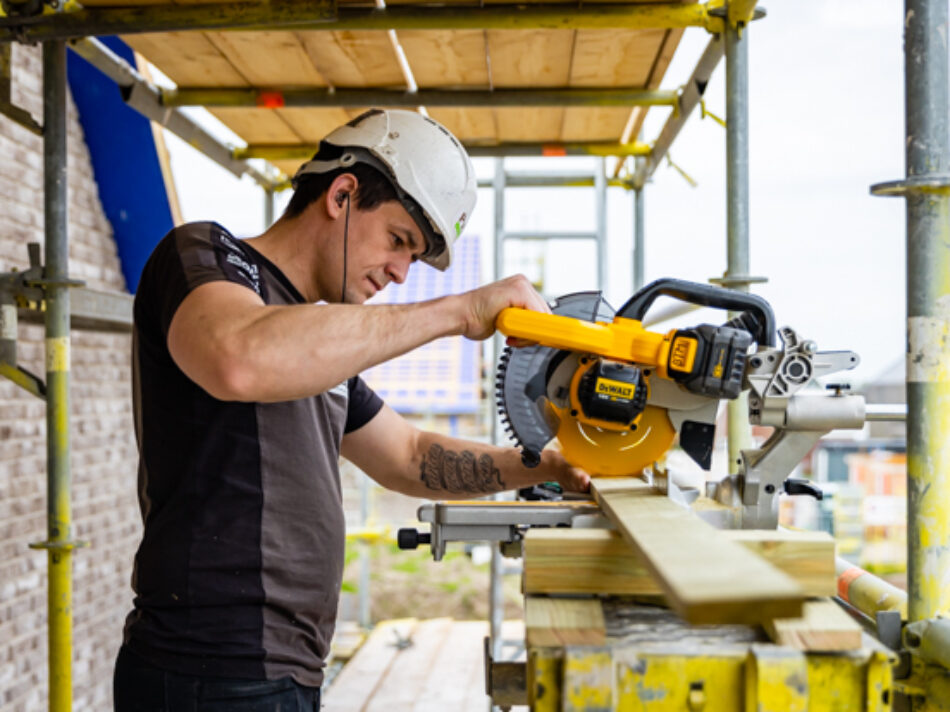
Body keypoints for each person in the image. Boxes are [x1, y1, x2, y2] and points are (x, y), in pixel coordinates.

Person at [114, 108, 590, 711]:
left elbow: (409, 457)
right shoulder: (202, 255)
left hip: (281, 672)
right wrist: (458, 312)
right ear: (342, 194)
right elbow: (237, 358)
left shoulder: (313, 344)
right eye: (398, 240)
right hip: (207, 670)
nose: (399, 272)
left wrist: (546, 465)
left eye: (413, 258)